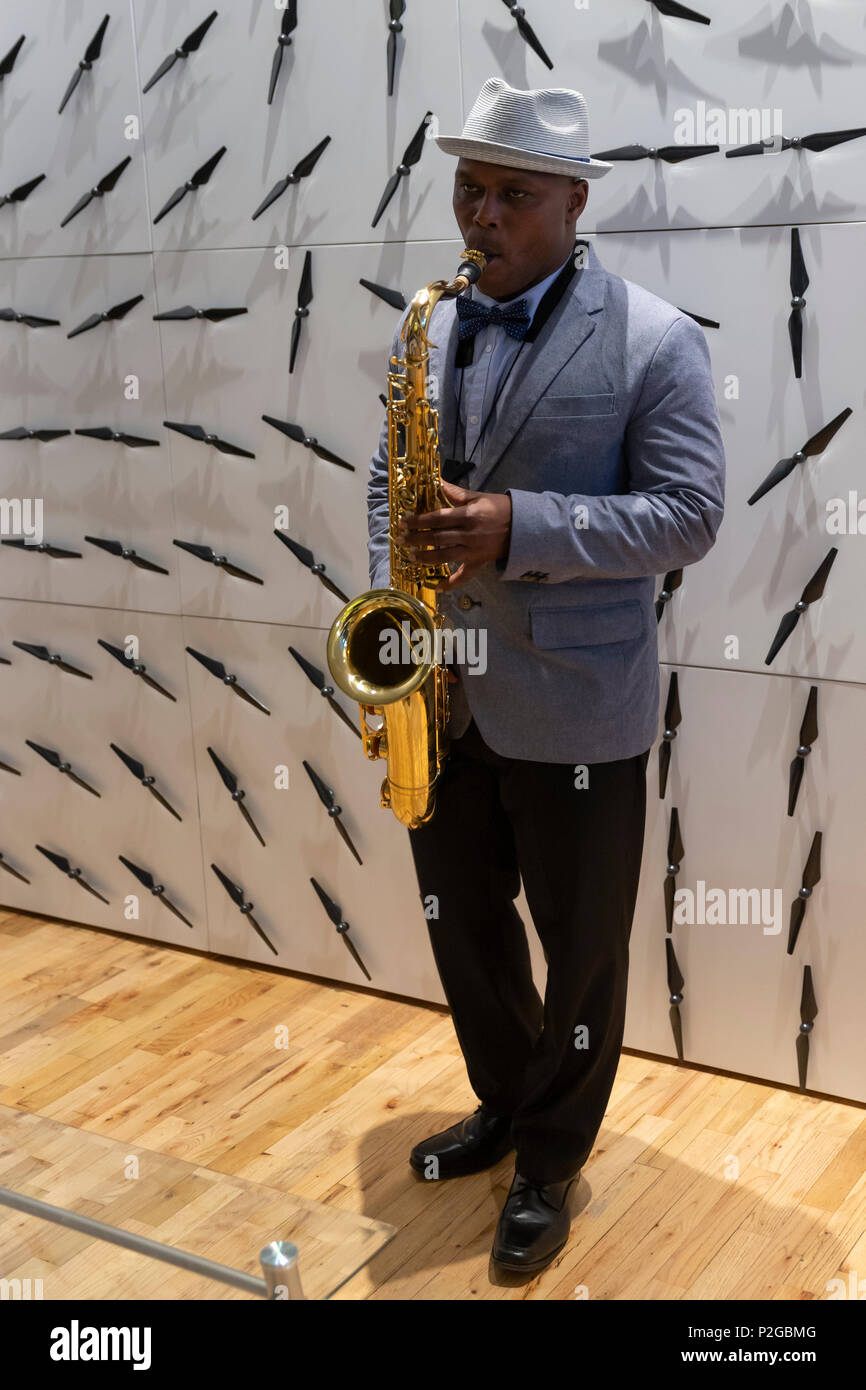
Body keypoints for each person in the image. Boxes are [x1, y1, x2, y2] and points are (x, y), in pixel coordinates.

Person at [366, 77, 726, 1274]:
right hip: (442, 690)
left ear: (573, 201)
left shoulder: (654, 339)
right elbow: (387, 481)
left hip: (576, 701)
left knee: (579, 951)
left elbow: (686, 515)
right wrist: (394, 611)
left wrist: (517, 526)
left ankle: (550, 1158)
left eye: (511, 195)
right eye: (468, 189)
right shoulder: (426, 324)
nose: (481, 215)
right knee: (464, 931)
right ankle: (506, 1100)